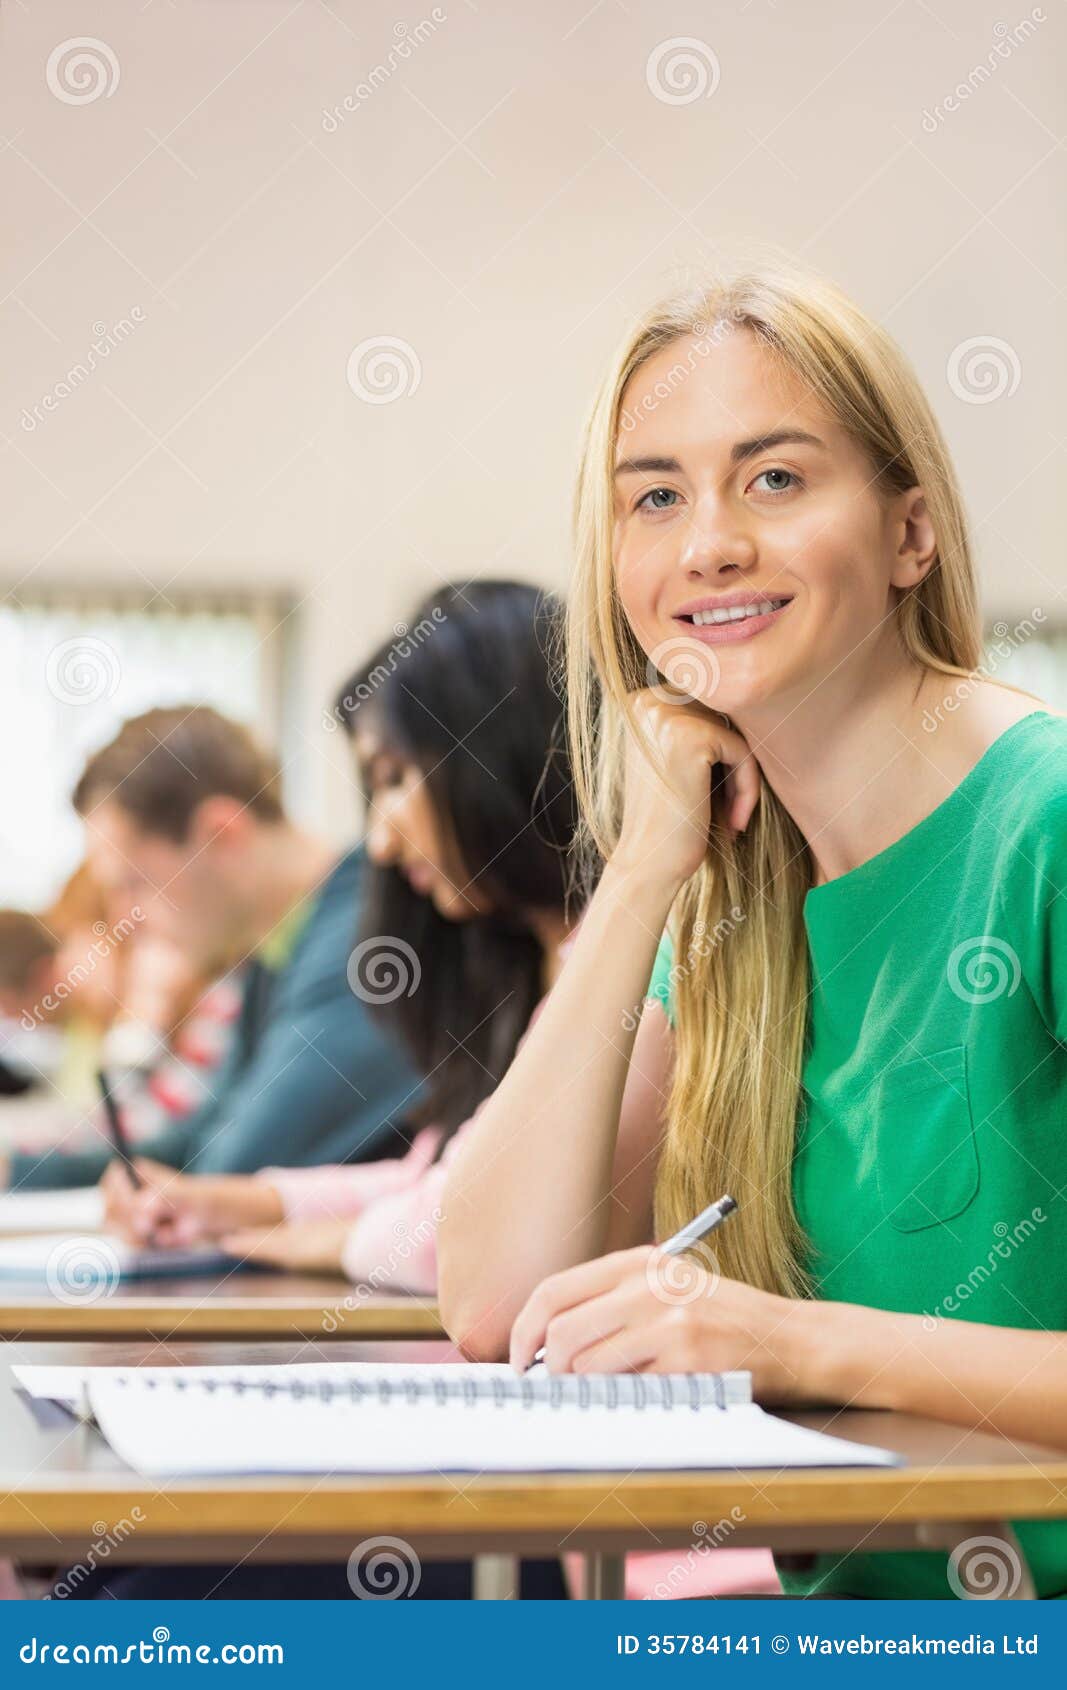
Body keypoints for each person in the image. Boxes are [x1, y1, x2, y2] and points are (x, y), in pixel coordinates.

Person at [439, 265, 1067, 1601]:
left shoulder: (1043, 821)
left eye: (773, 479)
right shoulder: (729, 896)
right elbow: (492, 1295)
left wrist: (791, 1341)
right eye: (653, 496)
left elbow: (787, 1342)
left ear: (909, 533)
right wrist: (644, 866)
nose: (706, 542)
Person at [1, 706, 421, 1190]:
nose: (123, 920)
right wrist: (16, 1169)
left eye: (136, 884)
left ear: (220, 835)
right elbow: (193, 1144)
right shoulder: (276, 952)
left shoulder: (370, 933)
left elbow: (237, 1163)